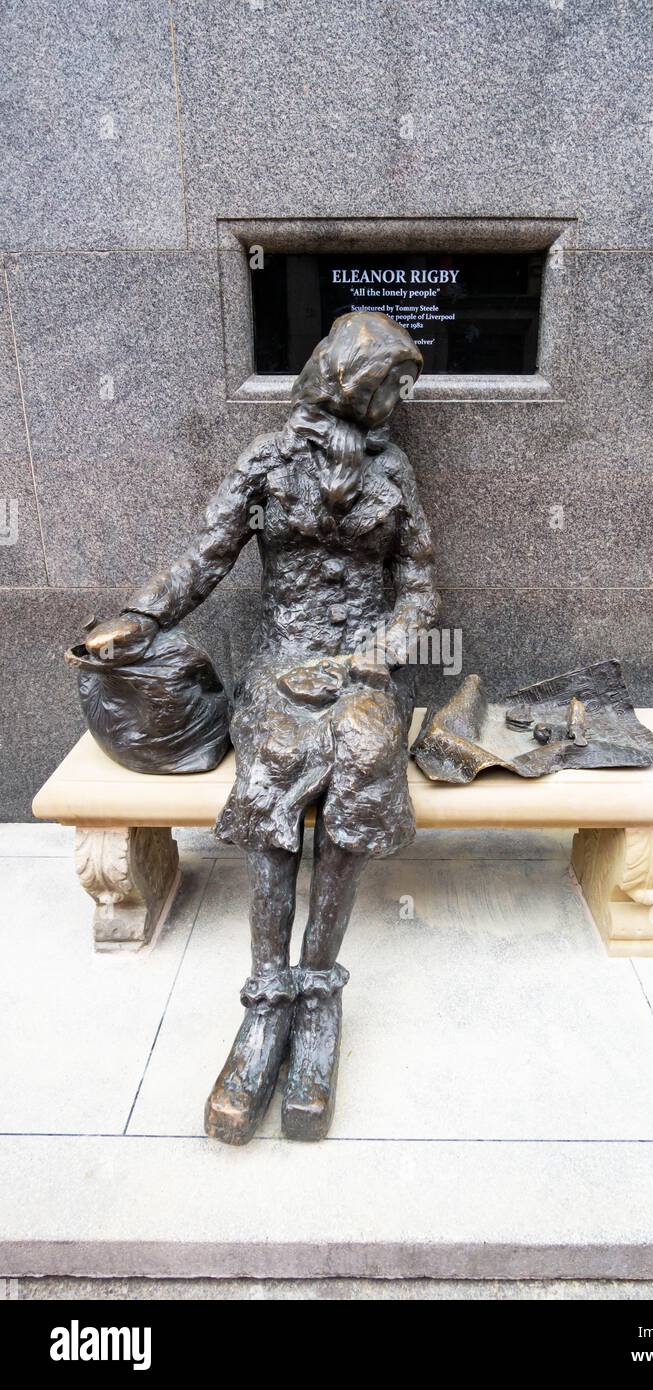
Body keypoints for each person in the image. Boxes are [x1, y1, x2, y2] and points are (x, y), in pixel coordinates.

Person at [83, 312, 440, 1142]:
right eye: (396, 378)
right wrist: (141, 618)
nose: (405, 394)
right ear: (353, 379)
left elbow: (421, 587)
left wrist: (383, 651)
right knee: (273, 772)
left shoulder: (396, 472)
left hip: (360, 669)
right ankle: (264, 1001)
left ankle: (319, 996)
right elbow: (204, 555)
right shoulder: (268, 461)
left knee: (366, 754)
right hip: (283, 665)